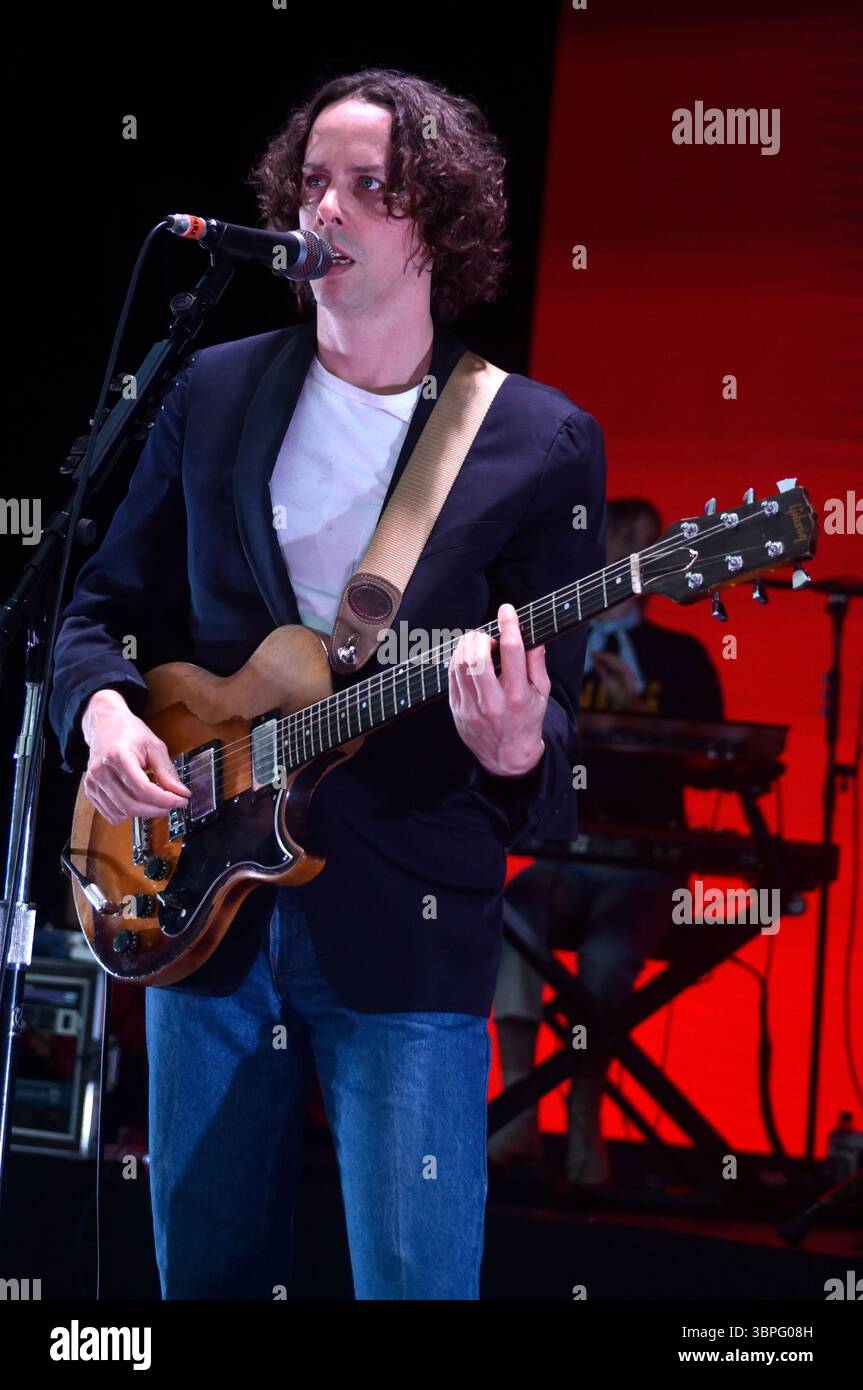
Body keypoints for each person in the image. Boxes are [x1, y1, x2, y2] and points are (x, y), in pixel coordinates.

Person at [49, 68, 607, 1299]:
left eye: (370, 188)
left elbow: (551, 743)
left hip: (400, 940)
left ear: (442, 223)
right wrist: (98, 712)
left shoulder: (532, 441)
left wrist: (516, 744)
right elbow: (92, 612)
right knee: (202, 1280)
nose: (327, 212)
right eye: (312, 183)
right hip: (198, 915)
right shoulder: (213, 389)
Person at [491, 498, 724, 1186]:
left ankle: (585, 1124)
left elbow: (712, 756)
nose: (633, 558)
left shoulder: (679, 656)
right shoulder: (553, 647)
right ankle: (515, 1112)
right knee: (514, 919)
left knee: (607, 956)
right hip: (565, 854)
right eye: (624, 543)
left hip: (642, 867)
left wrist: (642, 704)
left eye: (646, 545)